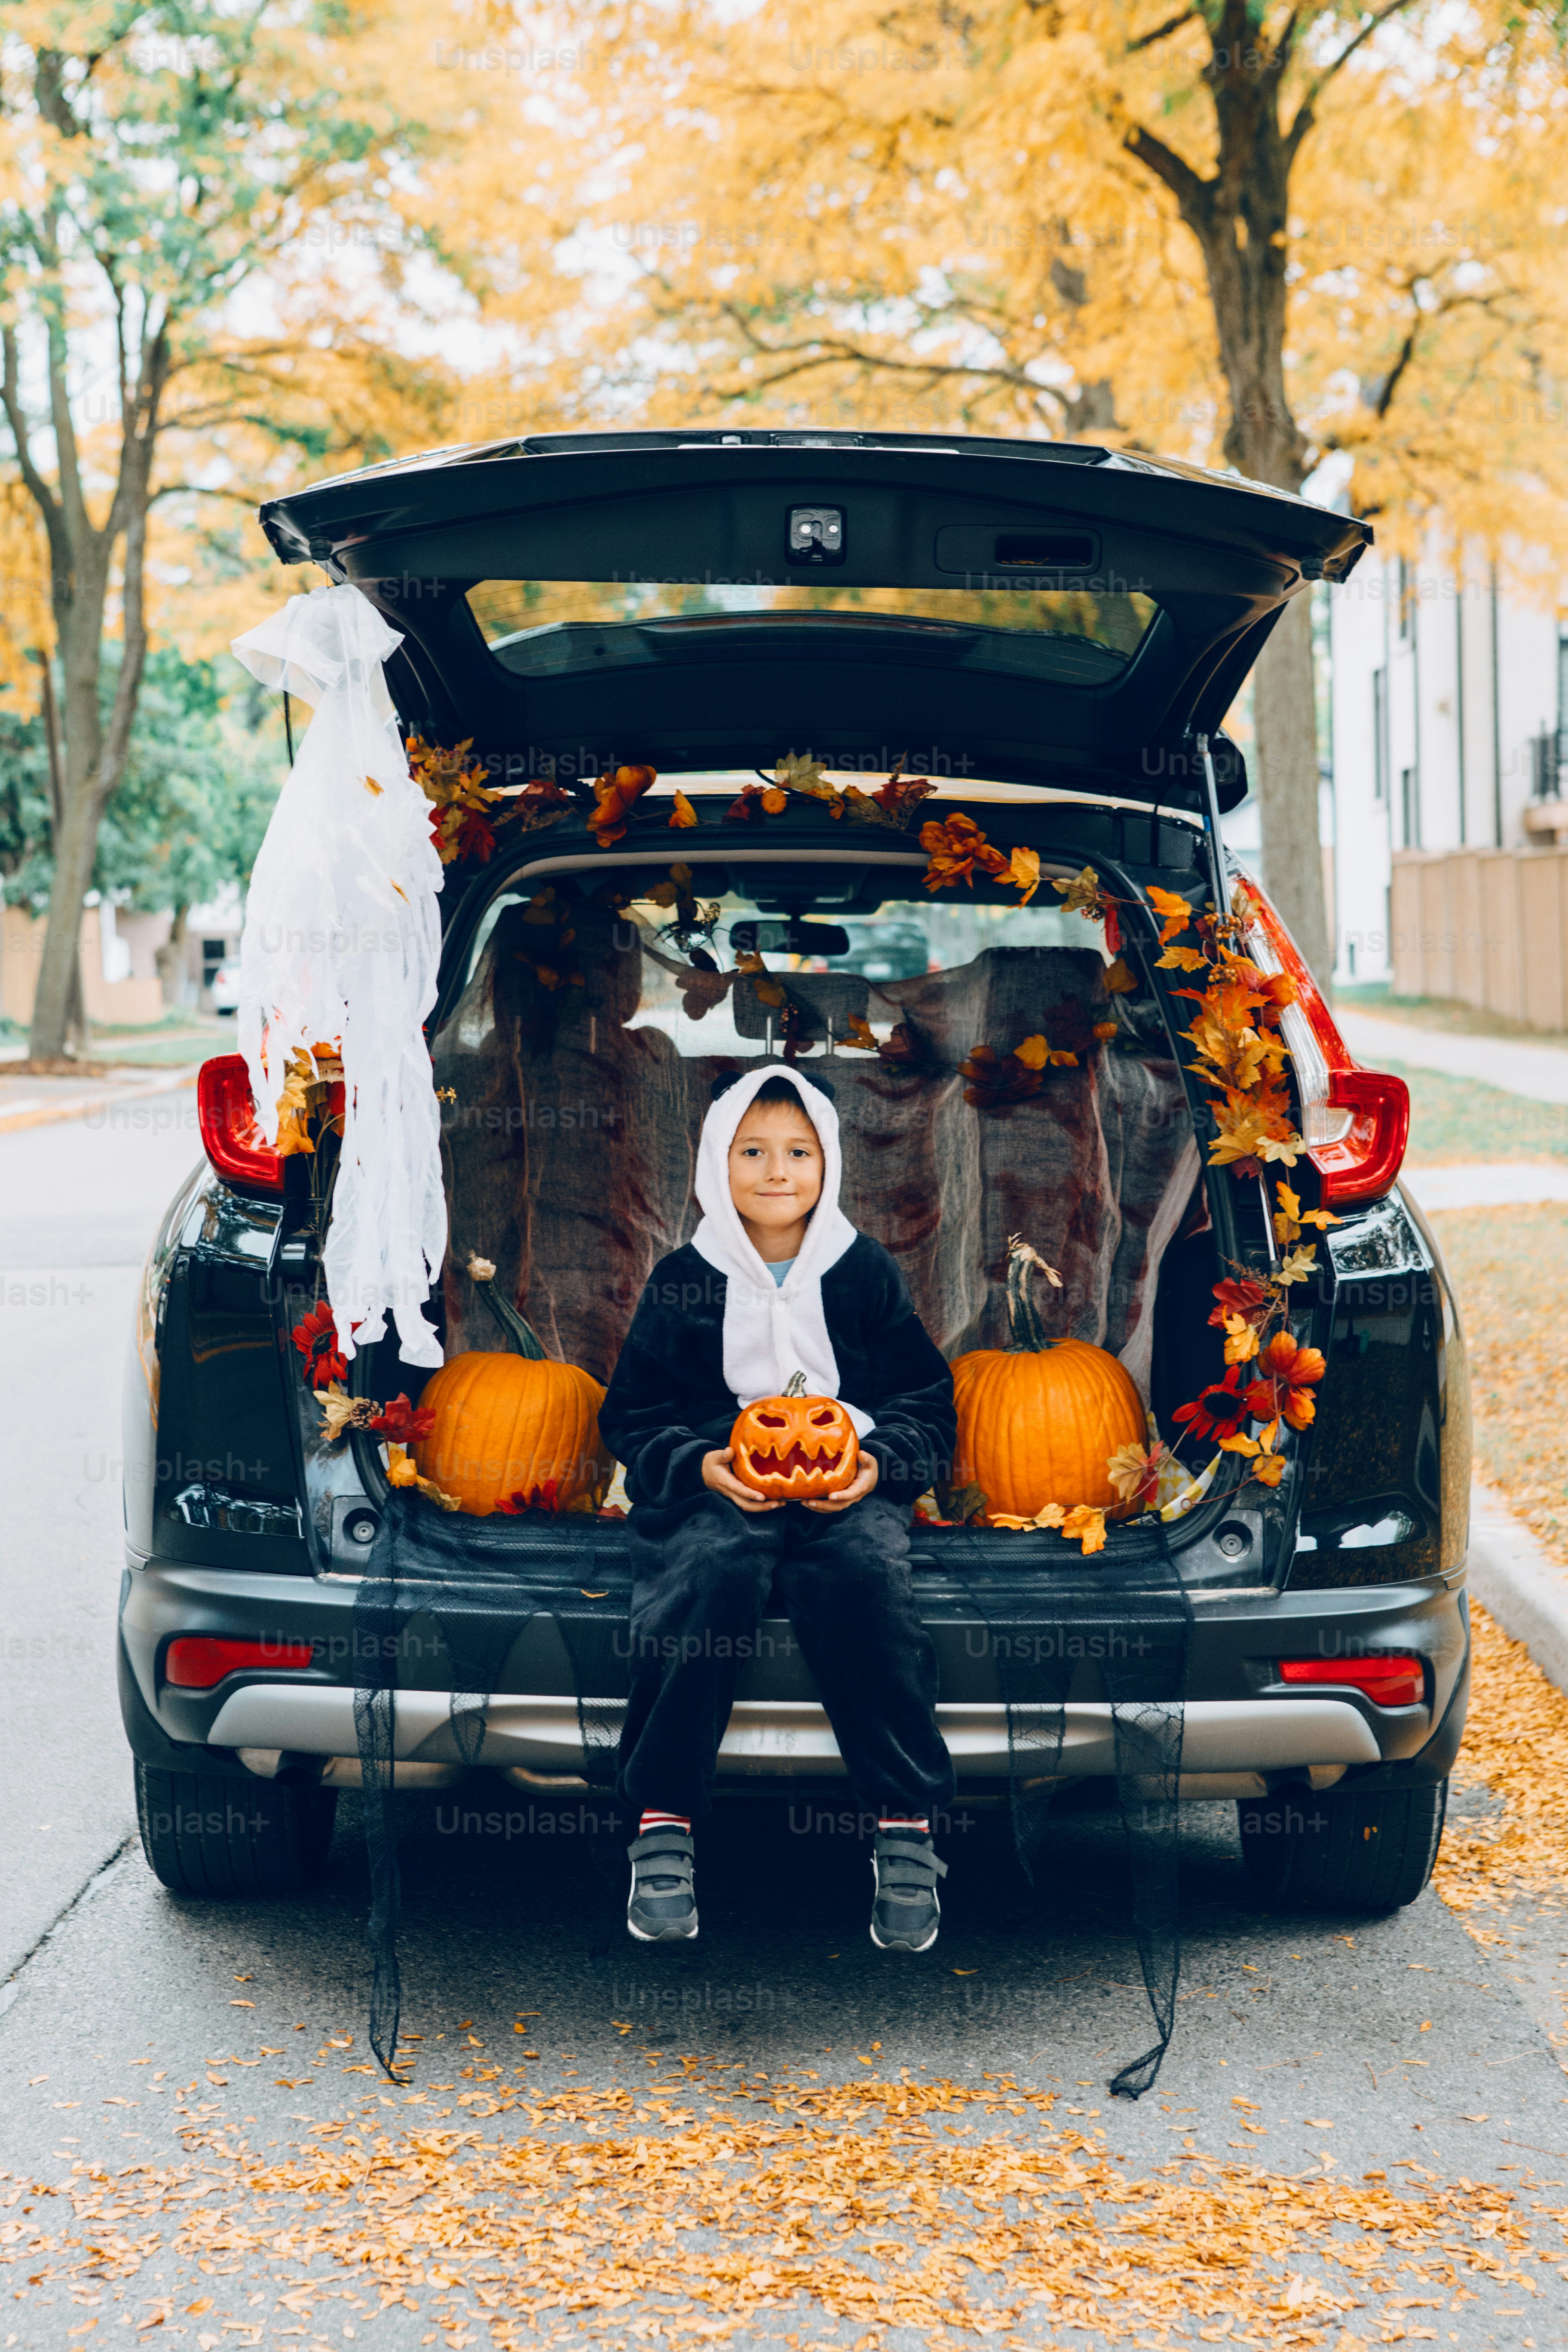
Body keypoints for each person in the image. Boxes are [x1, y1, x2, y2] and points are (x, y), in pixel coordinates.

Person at [599, 1062, 959, 1951]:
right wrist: (699, 1464)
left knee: (871, 1581)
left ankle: (905, 1825)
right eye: (752, 1150)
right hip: (723, 1479)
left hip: (844, 1476)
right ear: (716, 1163)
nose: (776, 1171)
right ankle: (663, 1821)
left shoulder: (861, 1270)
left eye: (799, 1151)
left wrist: (879, 1466)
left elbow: (926, 1401)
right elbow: (634, 1414)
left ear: (829, 1164)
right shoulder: (686, 1276)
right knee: (704, 1579)